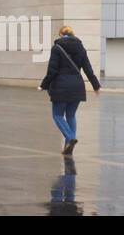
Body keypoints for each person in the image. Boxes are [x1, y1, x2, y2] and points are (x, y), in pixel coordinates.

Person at [38, 25, 101, 154]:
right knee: (71, 115)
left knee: (57, 115)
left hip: (61, 86)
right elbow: (88, 69)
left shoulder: (57, 48)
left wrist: (43, 85)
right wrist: (96, 85)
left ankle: (71, 138)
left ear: (61, 35)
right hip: (77, 86)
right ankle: (68, 147)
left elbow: (52, 70)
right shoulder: (81, 48)